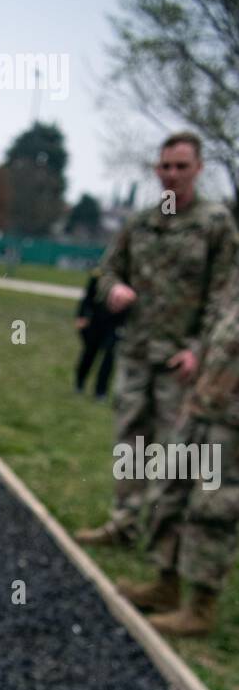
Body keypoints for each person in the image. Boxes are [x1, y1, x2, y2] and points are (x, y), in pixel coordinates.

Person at [75, 133, 237, 547]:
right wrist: (112, 290)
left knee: (178, 452)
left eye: (182, 166)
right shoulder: (140, 223)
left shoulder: (215, 225)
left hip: (182, 360)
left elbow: (226, 296)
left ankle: (170, 542)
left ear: (198, 169)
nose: (173, 174)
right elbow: (107, 271)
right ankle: (125, 523)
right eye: (166, 166)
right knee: (132, 443)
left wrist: (198, 349)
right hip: (137, 351)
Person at [116, 259, 239, 636]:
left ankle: (200, 606)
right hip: (203, 399)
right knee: (171, 485)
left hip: (233, 417)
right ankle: (165, 582)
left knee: (213, 503)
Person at [73, 264, 125, 398]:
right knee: (89, 352)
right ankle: (79, 383)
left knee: (109, 357)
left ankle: (100, 391)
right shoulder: (102, 271)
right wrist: (82, 316)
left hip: (116, 323)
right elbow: (89, 294)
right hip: (96, 320)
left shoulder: (131, 274)